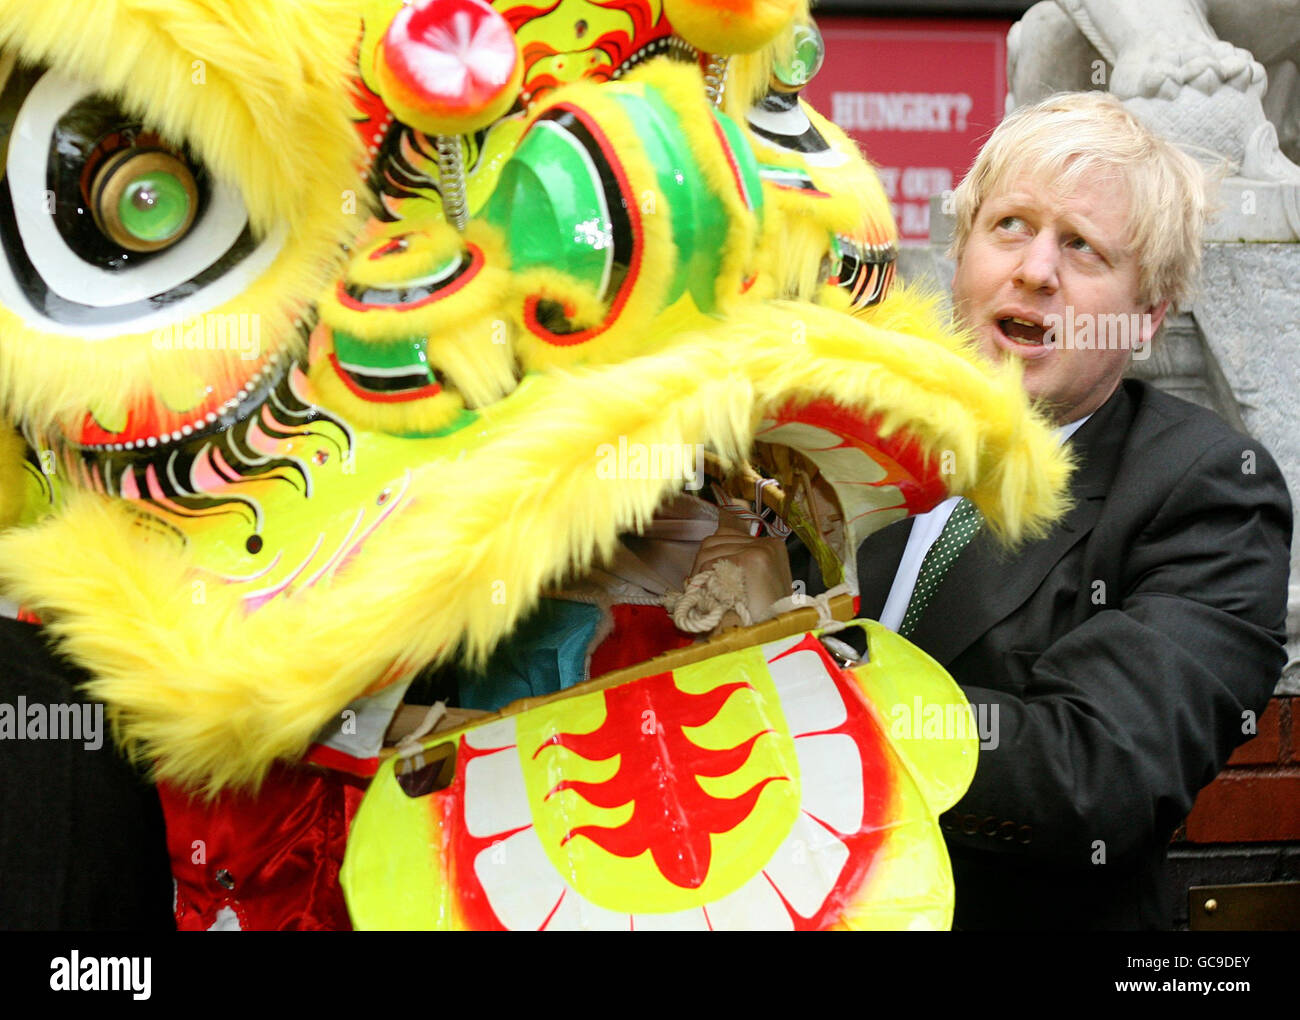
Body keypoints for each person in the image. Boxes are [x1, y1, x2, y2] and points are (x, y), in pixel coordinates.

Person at [802, 91, 1293, 928]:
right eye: (1010, 227)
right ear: (960, 256)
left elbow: (1099, 771)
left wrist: (817, 698)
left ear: (1147, 316)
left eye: (1083, 248)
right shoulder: (836, 428)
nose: (1035, 270)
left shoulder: (1209, 487)